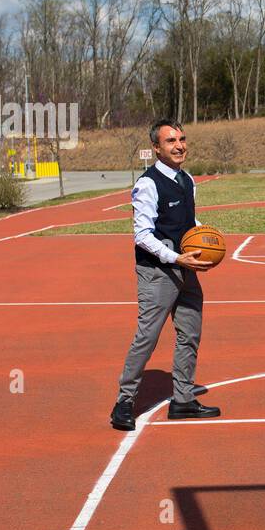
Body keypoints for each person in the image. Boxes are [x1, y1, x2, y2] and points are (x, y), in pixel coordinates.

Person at [109, 119, 220, 431]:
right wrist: (176, 257)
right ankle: (124, 401)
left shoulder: (187, 180)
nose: (179, 145)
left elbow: (188, 219)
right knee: (147, 337)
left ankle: (183, 399)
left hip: (186, 268)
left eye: (182, 139)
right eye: (171, 141)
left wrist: (205, 237)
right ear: (156, 148)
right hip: (158, 272)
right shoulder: (147, 184)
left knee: (190, 333)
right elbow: (142, 235)